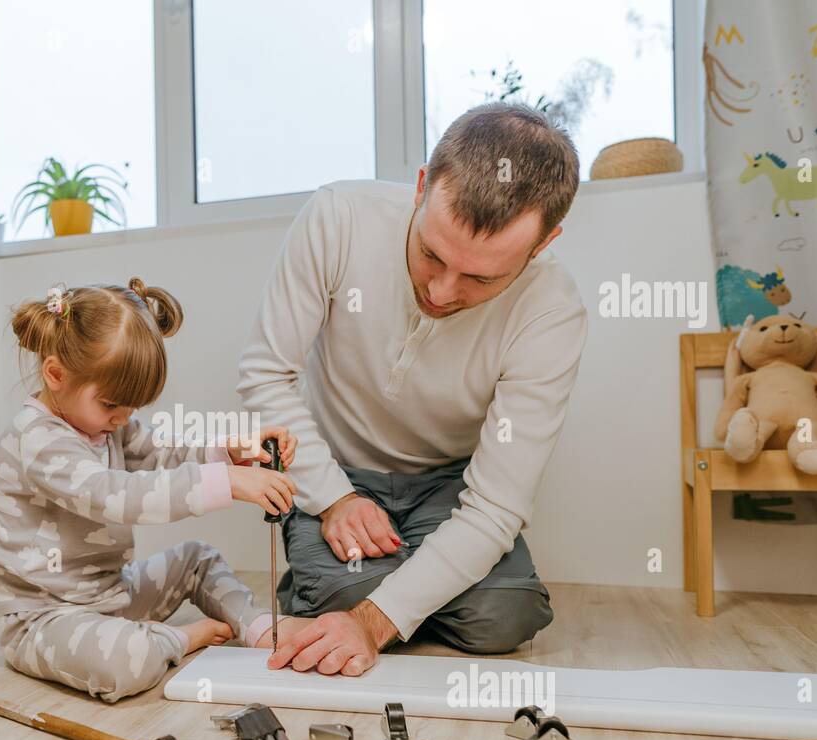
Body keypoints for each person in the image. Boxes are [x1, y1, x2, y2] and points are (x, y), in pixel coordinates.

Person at [237, 102, 587, 677]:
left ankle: (357, 588)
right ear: (422, 187)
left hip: (446, 488)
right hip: (335, 467)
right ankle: (346, 578)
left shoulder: (553, 313)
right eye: (432, 254)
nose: (444, 291)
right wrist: (332, 499)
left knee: (506, 616)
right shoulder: (338, 216)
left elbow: (495, 505)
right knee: (344, 596)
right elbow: (265, 372)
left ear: (542, 245)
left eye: (481, 278)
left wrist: (373, 621)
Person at [0, 278, 299, 702]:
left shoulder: (108, 424)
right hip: (44, 619)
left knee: (197, 559)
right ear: (56, 374)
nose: (123, 418)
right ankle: (173, 639)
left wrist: (226, 453)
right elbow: (114, 495)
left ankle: (258, 625)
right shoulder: (38, 440)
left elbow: (160, 454)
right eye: (112, 405)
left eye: (133, 407)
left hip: (111, 594)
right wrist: (224, 484)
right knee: (124, 660)